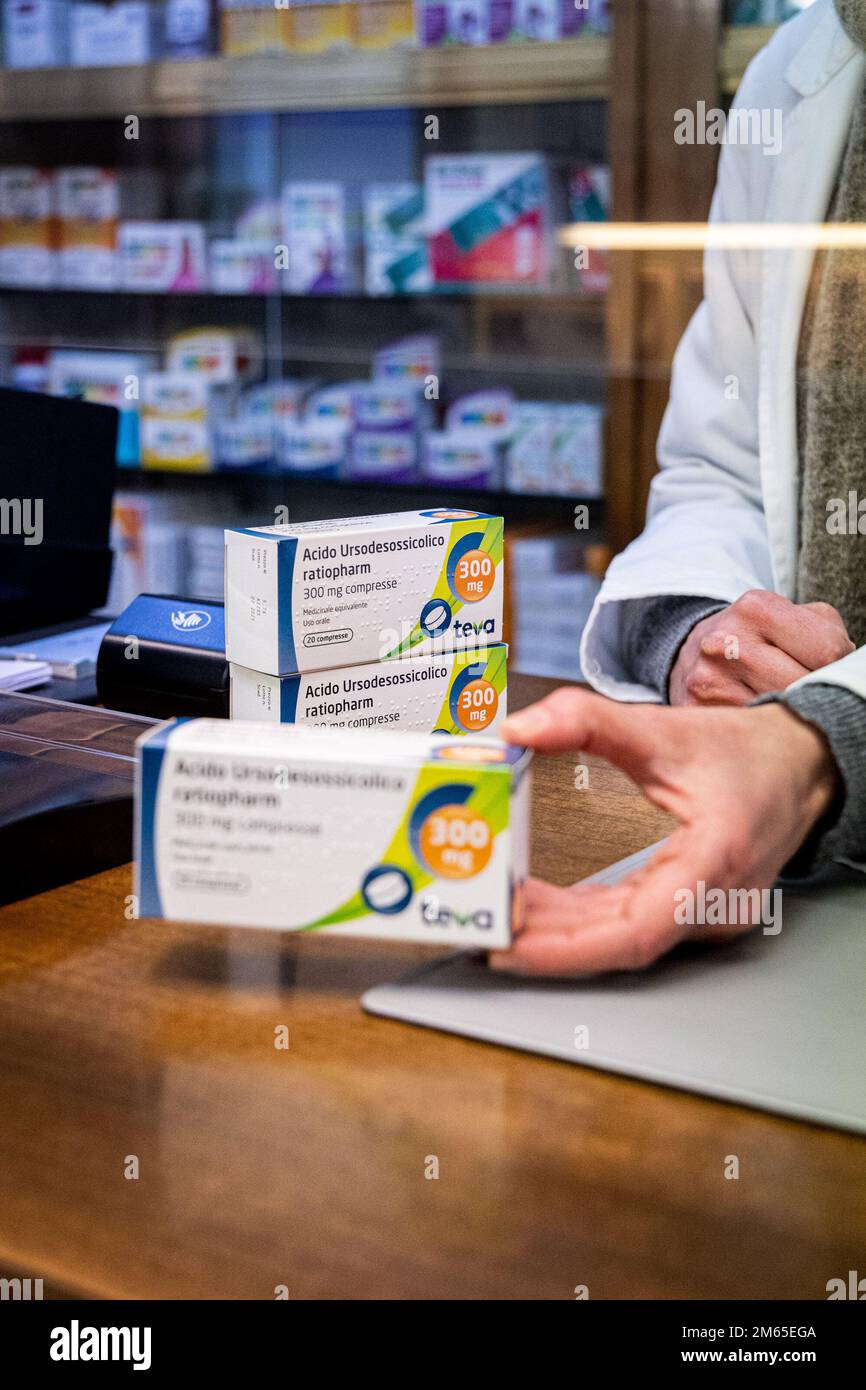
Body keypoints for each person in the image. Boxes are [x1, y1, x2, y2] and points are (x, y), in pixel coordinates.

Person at [492, 0, 866, 976]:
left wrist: (821, 741)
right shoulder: (802, 65)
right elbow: (723, 461)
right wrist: (704, 634)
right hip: (805, 868)